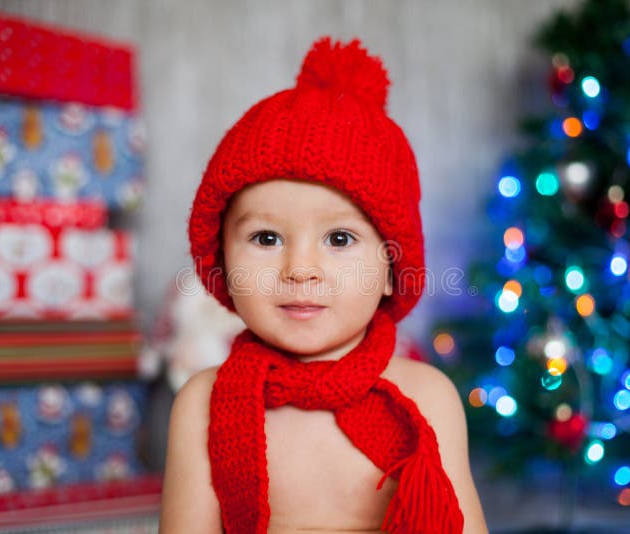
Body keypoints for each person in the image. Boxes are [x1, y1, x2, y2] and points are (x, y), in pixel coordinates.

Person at [160, 36, 488, 533]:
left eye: (339, 238)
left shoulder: (425, 398)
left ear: (390, 269)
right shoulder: (202, 405)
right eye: (266, 237)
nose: (301, 269)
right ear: (222, 261)